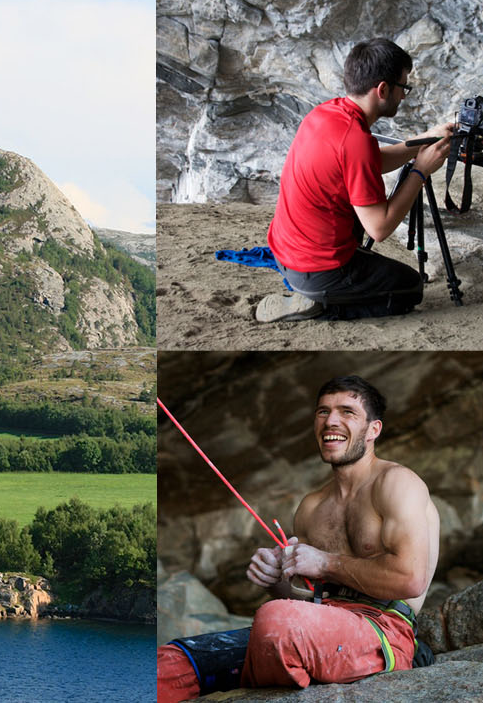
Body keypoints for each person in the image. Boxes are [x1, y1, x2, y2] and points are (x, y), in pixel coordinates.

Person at [156, 376, 441, 700]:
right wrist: (275, 581)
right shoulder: (312, 506)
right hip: (310, 629)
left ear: (374, 429)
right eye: (323, 411)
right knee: (169, 662)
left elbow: (410, 579)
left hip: (383, 630)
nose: (330, 420)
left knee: (276, 621)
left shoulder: (397, 483)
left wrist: (325, 562)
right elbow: (309, 599)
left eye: (347, 411)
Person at [256, 38, 457, 322]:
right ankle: (320, 304)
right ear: (383, 89)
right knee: (411, 287)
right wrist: (420, 171)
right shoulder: (355, 140)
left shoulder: (326, 113)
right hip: (316, 269)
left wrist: (425, 140)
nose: (403, 96)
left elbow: (372, 161)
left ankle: (316, 291)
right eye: (403, 87)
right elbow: (379, 227)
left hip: (286, 251)